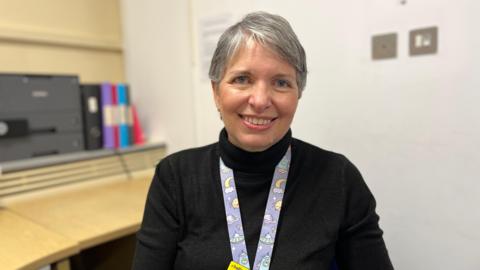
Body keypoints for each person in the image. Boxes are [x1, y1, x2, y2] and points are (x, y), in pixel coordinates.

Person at [132, 11, 394, 270]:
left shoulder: (338, 178)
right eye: (242, 79)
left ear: (298, 94)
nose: (260, 101)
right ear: (216, 92)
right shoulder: (175, 177)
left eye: (281, 82)